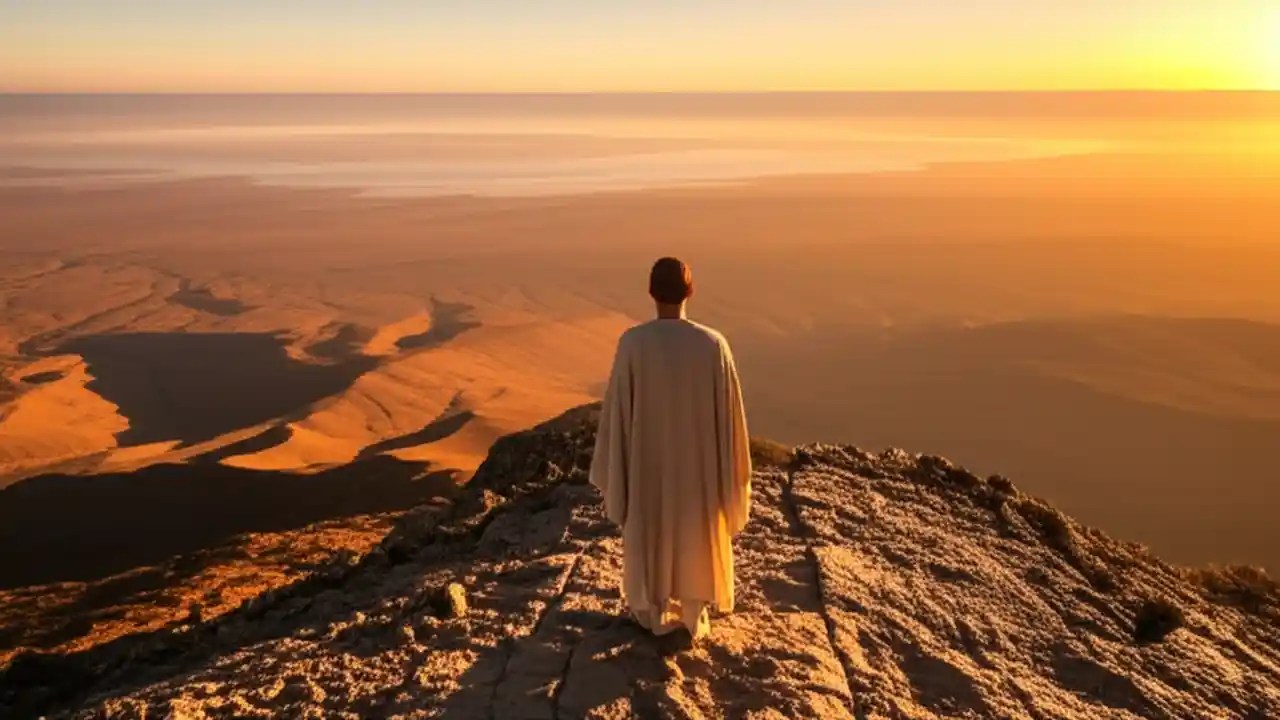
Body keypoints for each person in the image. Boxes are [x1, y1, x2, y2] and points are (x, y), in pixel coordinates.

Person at [590, 257, 752, 640]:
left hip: (649, 466)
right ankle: (695, 611)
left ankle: (653, 610)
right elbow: (731, 420)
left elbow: (617, 413)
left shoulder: (633, 343)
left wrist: (620, 467)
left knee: (651, 523)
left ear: (651, 292)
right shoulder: (713, 345)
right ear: (689, 292)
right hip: (700, 467)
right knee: (697, 525)